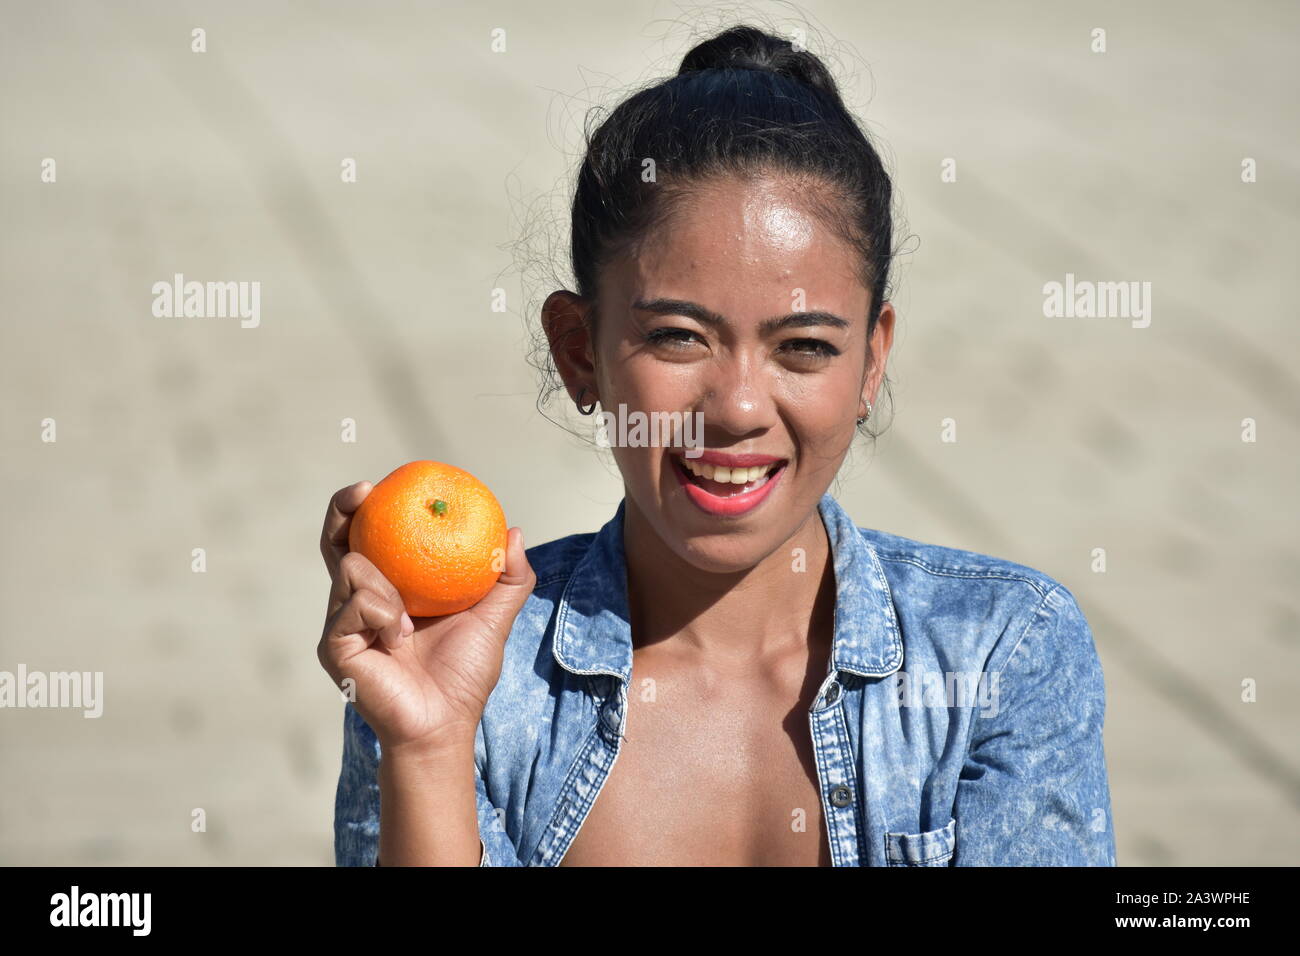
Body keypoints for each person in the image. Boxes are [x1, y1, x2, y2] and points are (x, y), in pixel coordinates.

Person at [319, 24, 1116, 866]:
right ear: (580, 351)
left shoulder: (999, 654)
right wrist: (428, 748)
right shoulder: (459, 668)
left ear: (872, 361)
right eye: (678, 337)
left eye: (804, 346)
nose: (736, 408)